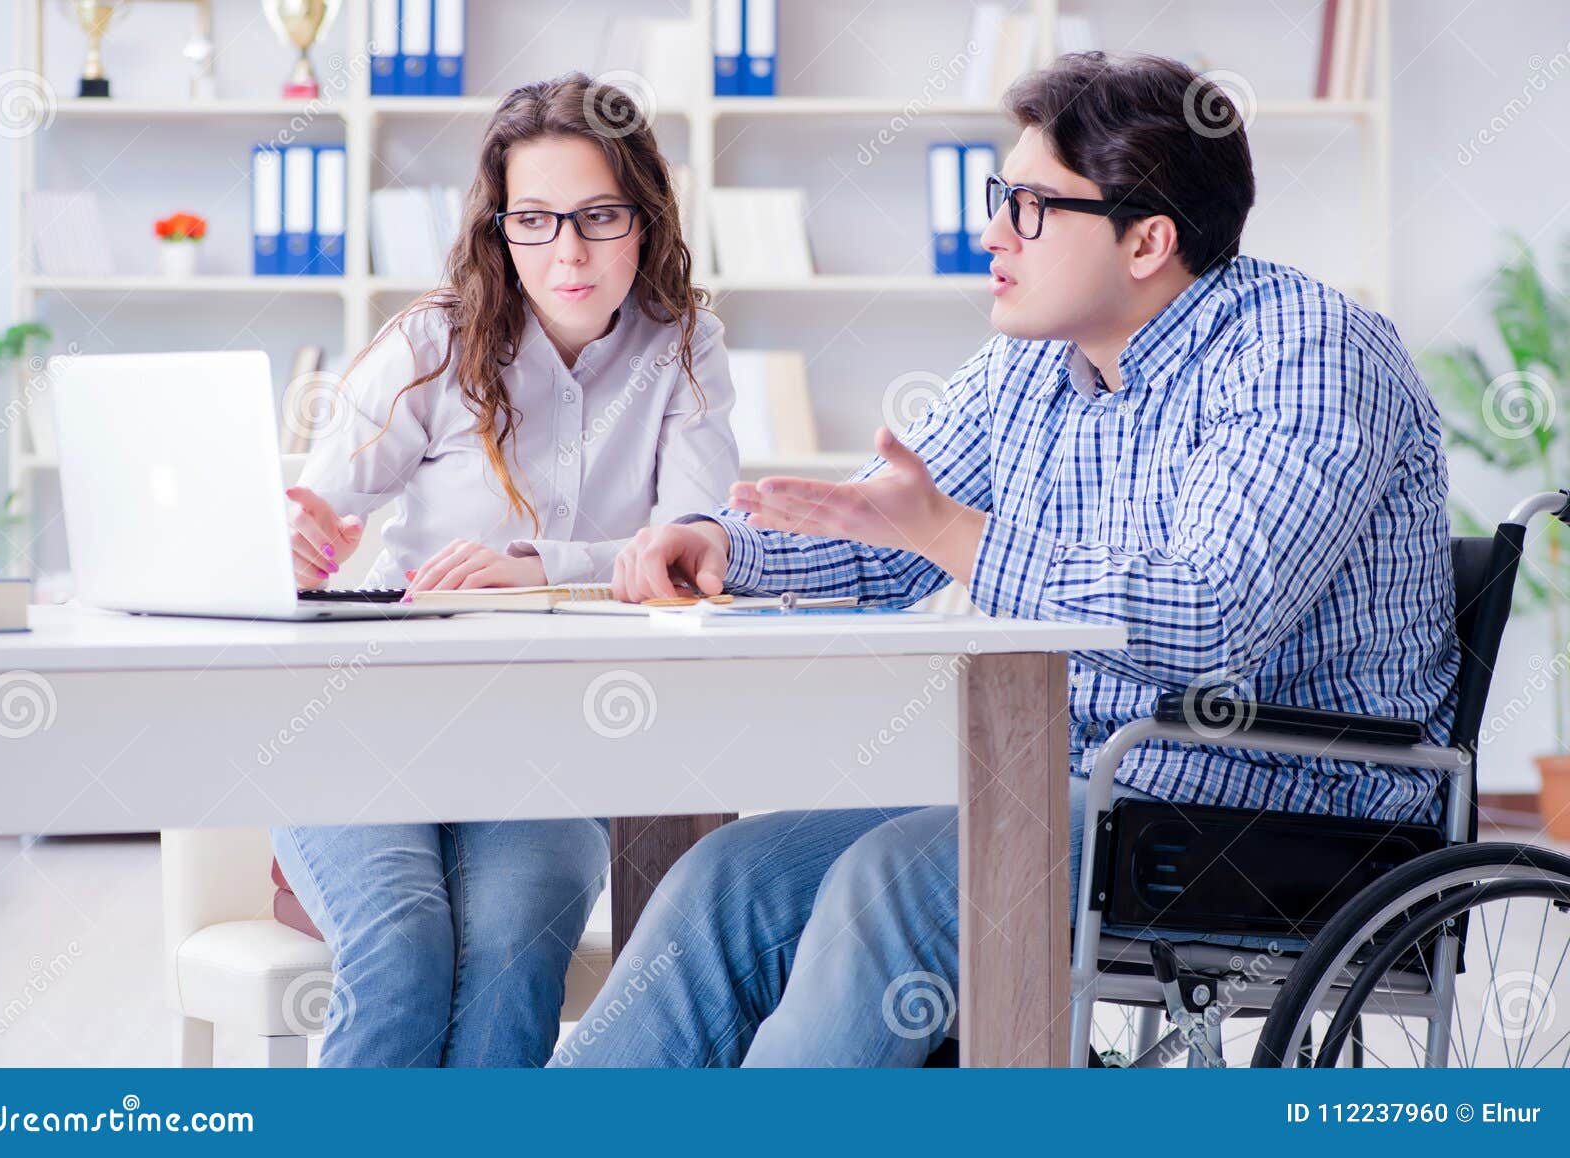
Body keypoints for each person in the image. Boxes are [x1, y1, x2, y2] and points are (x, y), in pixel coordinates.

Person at [556, 51, 1458, 1068]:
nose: (992, 233)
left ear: (1147, 240)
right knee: (729, 880)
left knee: (898, 883)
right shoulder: (1030, 362)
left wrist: (950, 532)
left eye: (1030, 208)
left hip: (1288, 803)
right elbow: (887, 535)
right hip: (1070, 780)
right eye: (1000, 198)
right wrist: (724, 548)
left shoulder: (1309, 351)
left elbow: (1211, 614)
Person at [270, 72, 737, 1067]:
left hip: (549, 744)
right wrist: (291, 535)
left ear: (645, 220)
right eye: (535, 219)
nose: (569, 252)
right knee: (402, 948)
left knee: (511, 958)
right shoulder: (431, 342)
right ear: (499, 228)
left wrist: (535, 569)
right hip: (372, 725)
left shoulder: (685, 348)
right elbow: (314, 514)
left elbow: (690, 557)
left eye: (599, 217)